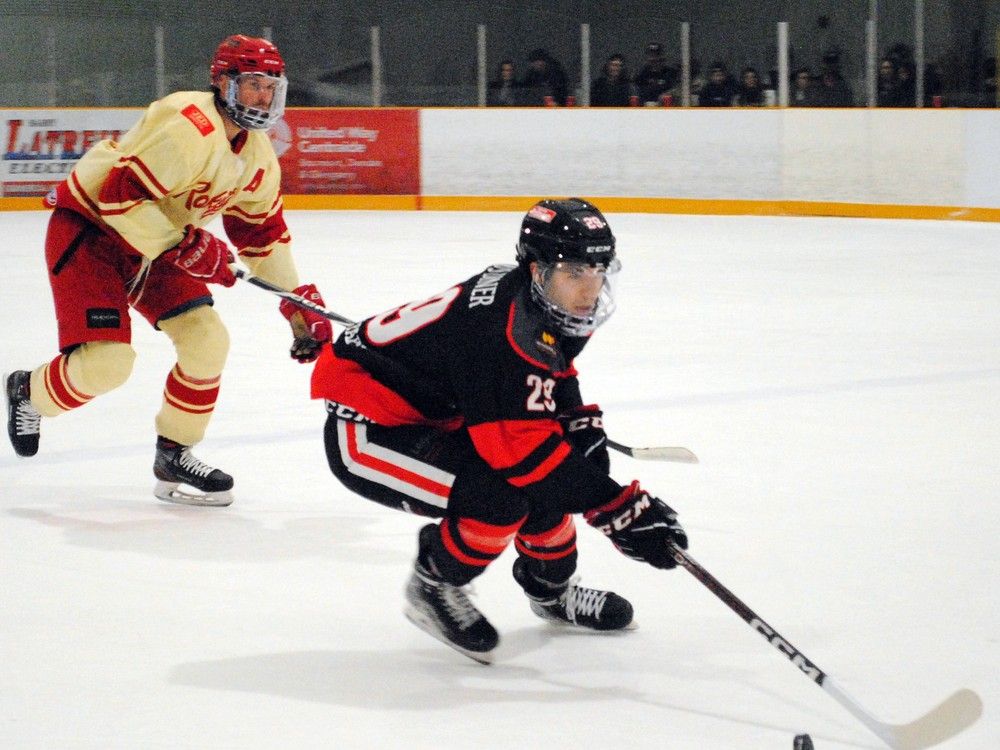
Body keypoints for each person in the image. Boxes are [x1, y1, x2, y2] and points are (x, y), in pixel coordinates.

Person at [310, 198, 689, 663]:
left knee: (549, 479)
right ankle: (433, 584)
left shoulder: (544, 301)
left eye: (597, 270)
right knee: (501, 497)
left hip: (443, 411)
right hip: (369, 429)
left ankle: (551, 592)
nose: (589, 288)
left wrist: (575, 421)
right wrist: (618, 509)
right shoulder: (499, 332)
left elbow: (552, 365)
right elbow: (518, 454)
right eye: (574, 272)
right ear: (536, 270)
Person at [3, 34, 332, 507]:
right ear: (223, 83)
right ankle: (29, 392)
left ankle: (174, 453)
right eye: (253, 85)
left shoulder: (257, 155)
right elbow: (117, 196)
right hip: (94, 233)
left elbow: (262, 234)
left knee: (208, 340)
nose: (263, 98)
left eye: (270, 87)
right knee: (108, 365)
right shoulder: (188, 124)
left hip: (157, 244)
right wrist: (186, 247)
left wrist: (295, 302)